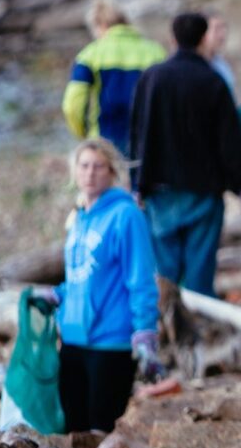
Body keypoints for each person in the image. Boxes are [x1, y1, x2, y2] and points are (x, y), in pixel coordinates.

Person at [129, 12, 241, 297]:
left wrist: (137, 182)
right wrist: (240, 185)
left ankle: (165, 326)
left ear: (172, 39)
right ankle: (198, 326)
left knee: (165, 271)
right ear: (202, 38)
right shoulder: (213, 81)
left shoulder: (152, 78)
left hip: (160, 187)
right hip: (204, 189)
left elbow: (138, 134)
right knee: (200, 271)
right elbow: (230, 141)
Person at [47, 139, 162, 433]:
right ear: (75, 171)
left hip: (111, 341)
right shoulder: (79, 218)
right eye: (84, 166)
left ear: (112, 172)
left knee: (102, 429)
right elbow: (79, 277)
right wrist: (56, 295)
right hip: (73, 339)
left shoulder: (126, 215)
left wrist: (145, 330)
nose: (90, 173)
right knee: (73, 430)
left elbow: (141, 278)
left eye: (99, 166)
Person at [62, 0, 166, 155]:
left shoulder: (89, 55)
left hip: (105, 140)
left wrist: (84, 134)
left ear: (100, 24)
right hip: (149, 139)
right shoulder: (155, 52)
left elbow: (72, 105)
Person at [201, 13, 237, 97]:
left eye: (223, 27)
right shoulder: (197, 67)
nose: (222, 34)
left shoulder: (220, 62)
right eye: (216, 29)